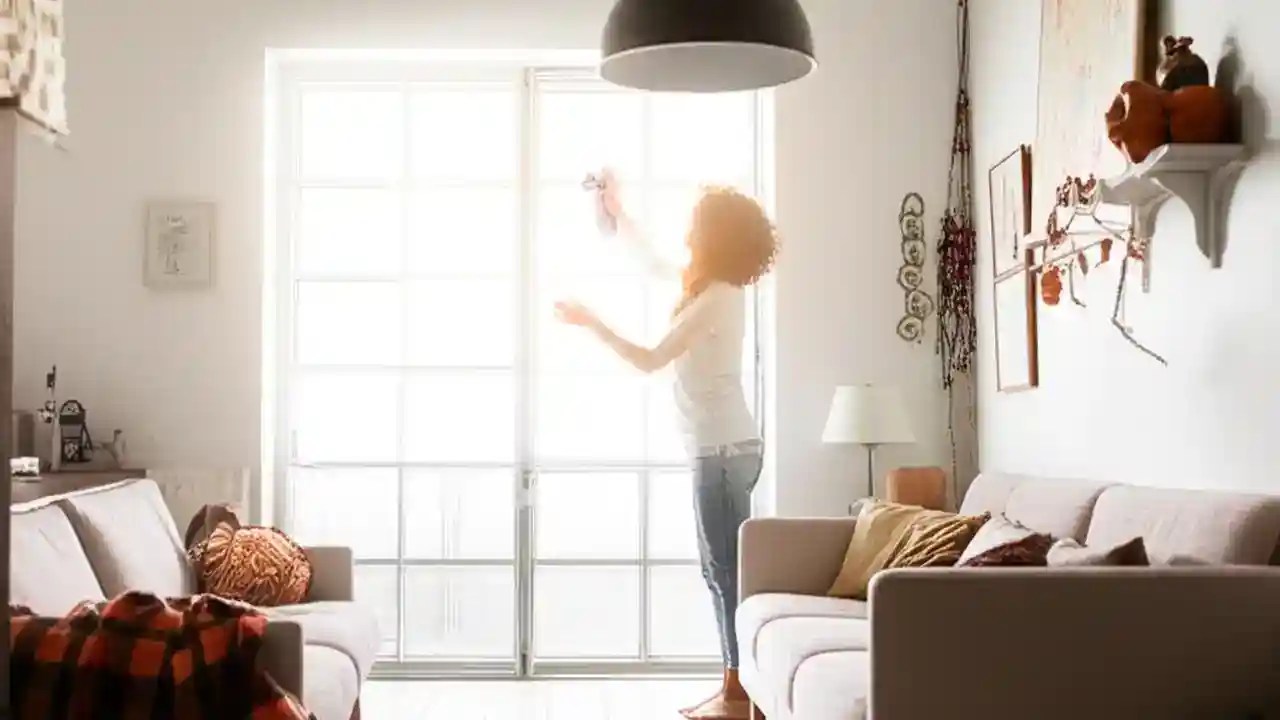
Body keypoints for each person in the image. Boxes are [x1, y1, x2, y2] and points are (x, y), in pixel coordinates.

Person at [555, 170, 777, 720]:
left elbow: (652, 359)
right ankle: (733, 683)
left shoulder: (720, 297)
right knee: (717, 569)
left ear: (714, 237)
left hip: (723, 450)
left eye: (695, 227)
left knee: (724, 569)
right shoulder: (704, 289)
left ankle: (738, 691)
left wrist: (592, 322)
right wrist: (618, 210)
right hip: (718, 447)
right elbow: (650, 260)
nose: (686, 236)